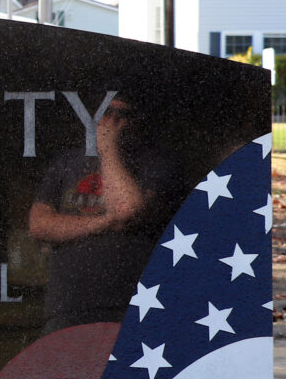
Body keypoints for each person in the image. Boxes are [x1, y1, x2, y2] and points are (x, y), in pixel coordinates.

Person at [27, 95, 175, 333]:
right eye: (108, 112)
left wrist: (107, 150)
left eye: (123, 115)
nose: (113, 120)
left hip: (128, 308)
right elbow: (39, 224)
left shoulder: (155, 164)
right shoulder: (66, 163)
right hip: (67, 308)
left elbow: (126, 210)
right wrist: (105, 221)